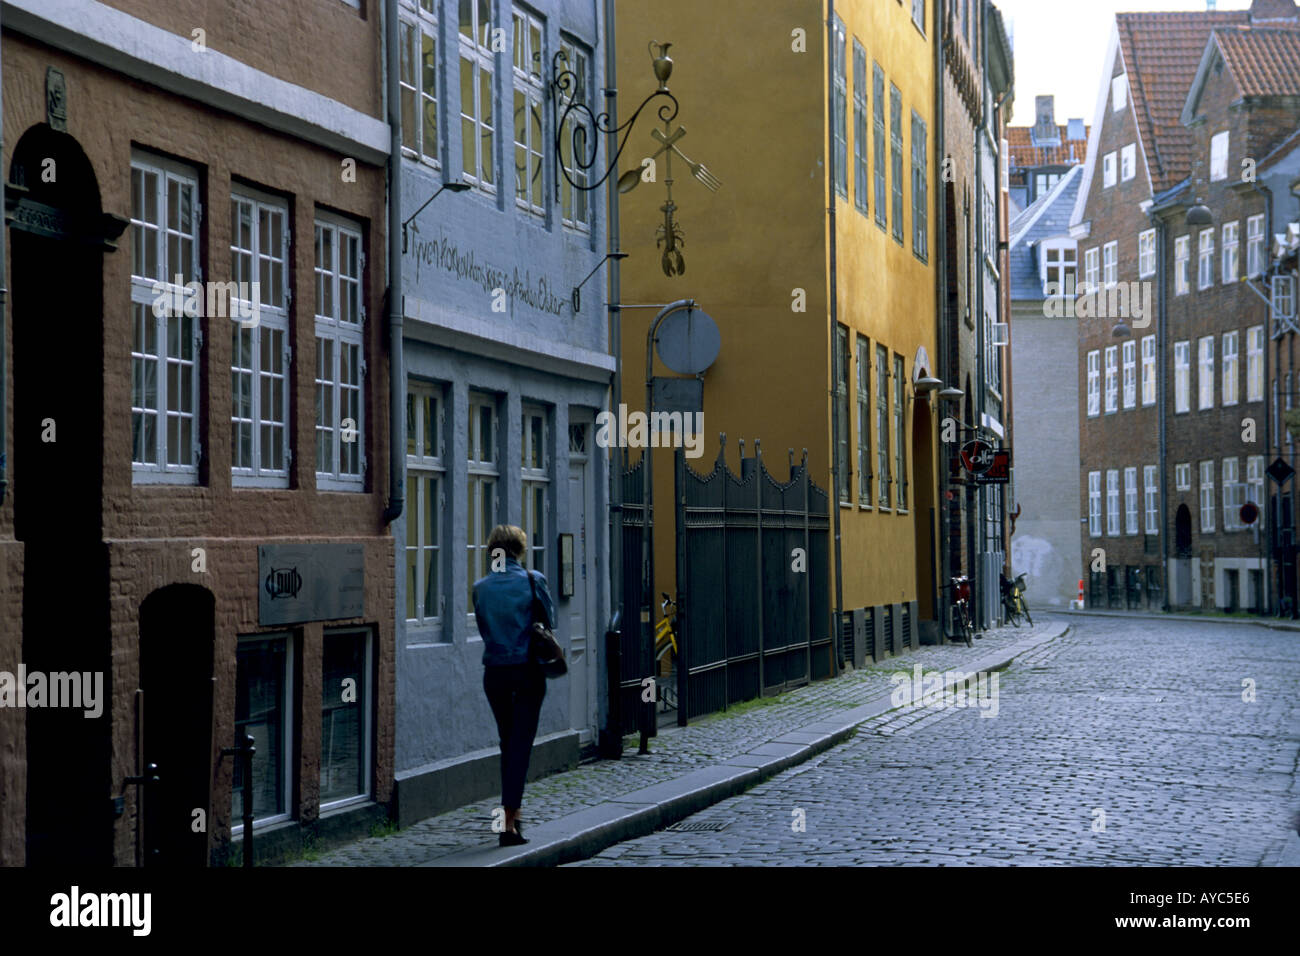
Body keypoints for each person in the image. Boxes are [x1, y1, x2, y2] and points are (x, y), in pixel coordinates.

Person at [472, 524, 556, 847]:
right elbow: (549, 624)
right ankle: (508, 825)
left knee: (508, 742)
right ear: (519, 550)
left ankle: (509, 821)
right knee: (520, 746)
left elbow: (483, 628)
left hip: (494, 674)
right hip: (527, 673)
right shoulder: (533, 581)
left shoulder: (480, 588)